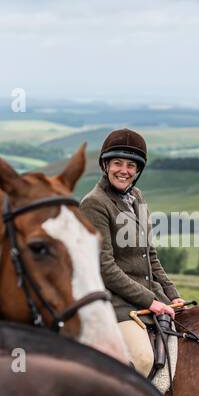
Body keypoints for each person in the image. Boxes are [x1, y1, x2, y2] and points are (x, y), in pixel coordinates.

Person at [78, 128, 185, 376]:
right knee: (143, 359)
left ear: (138, 171)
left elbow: (150, 254)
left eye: (131, 166)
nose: (124, 171)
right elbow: (105, 268)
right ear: (106, 164)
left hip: (150, 296)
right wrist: (151, 302)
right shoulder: (94, 203)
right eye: (117, 163)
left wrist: (172, 294)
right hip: (115, 303)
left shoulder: (137, 196)